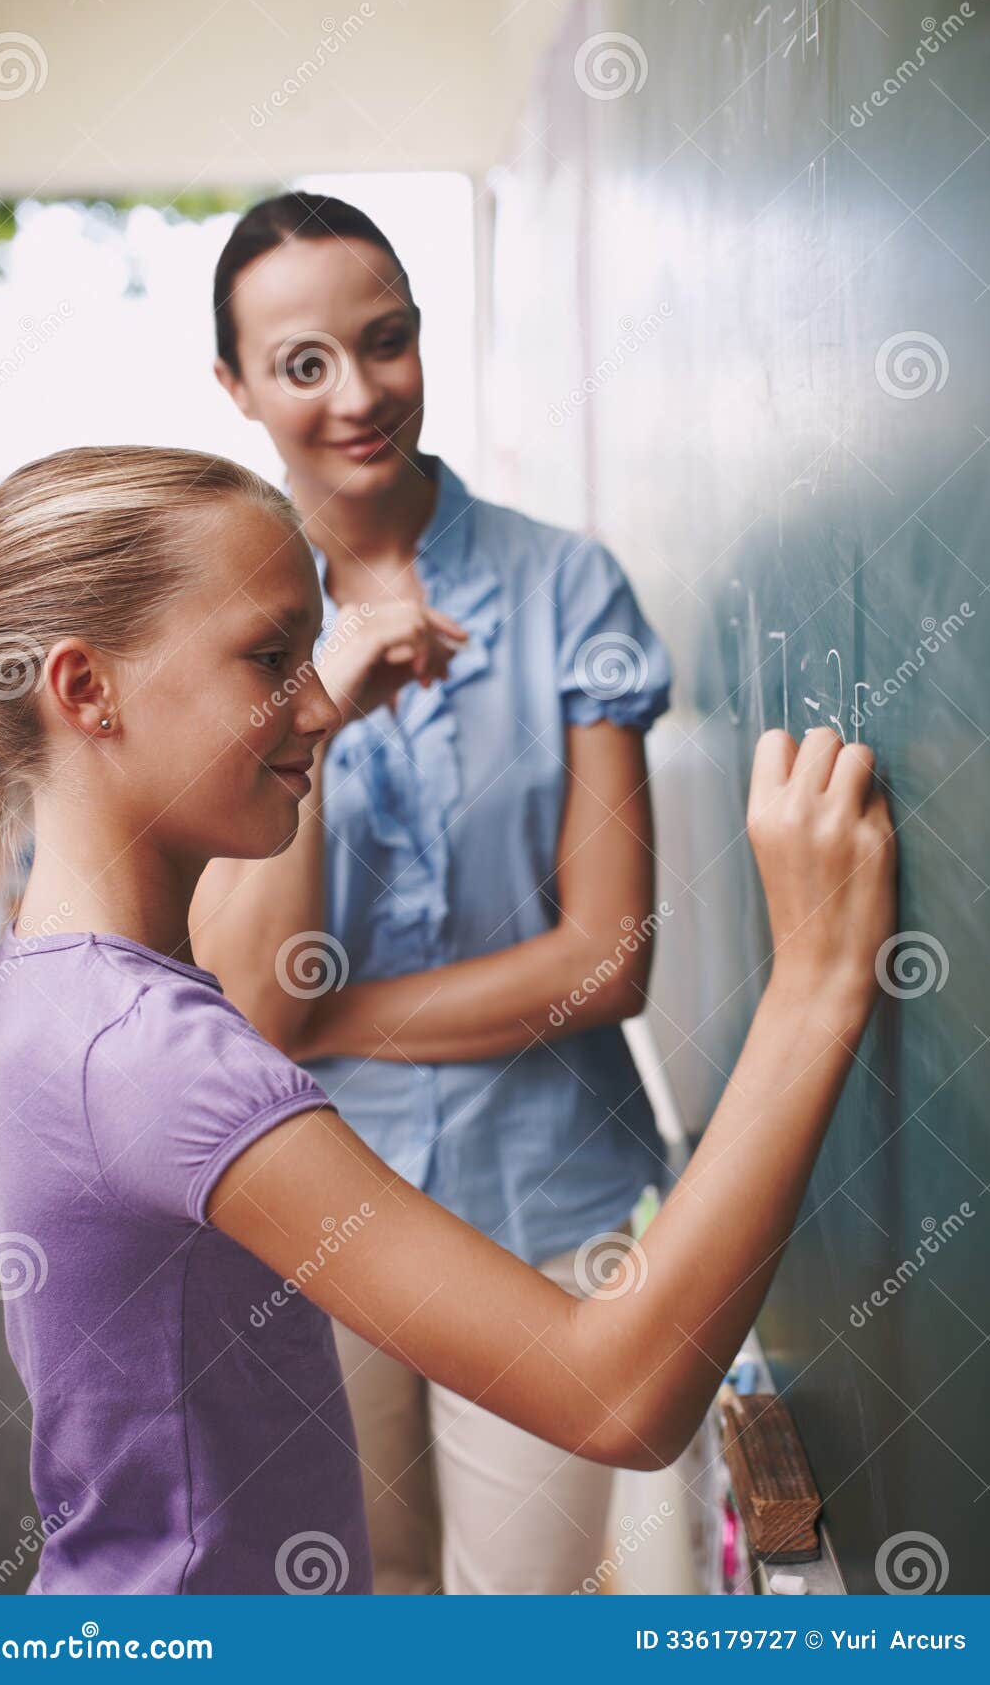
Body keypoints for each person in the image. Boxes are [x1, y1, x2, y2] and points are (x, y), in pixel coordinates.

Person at [0, 444, 895, 1596]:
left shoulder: (38, 986)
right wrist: (818, 981)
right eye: (271, 658)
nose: (321, 700)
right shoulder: (159, 1057)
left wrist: (304, 725)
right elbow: (616, 1391)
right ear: (87, 689)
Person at [192, 193, 676, 1593]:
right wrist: (317, 707)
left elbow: (606, 959)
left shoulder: (566, 588)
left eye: (385, 342)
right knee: (355, 1600)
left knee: (518, 1617)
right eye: (302, 363)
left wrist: (321, 1026)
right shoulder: (214, 632)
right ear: (234, 386)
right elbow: (250, 995)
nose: (356, 394)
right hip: (300, 1212)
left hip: (544, 1202)